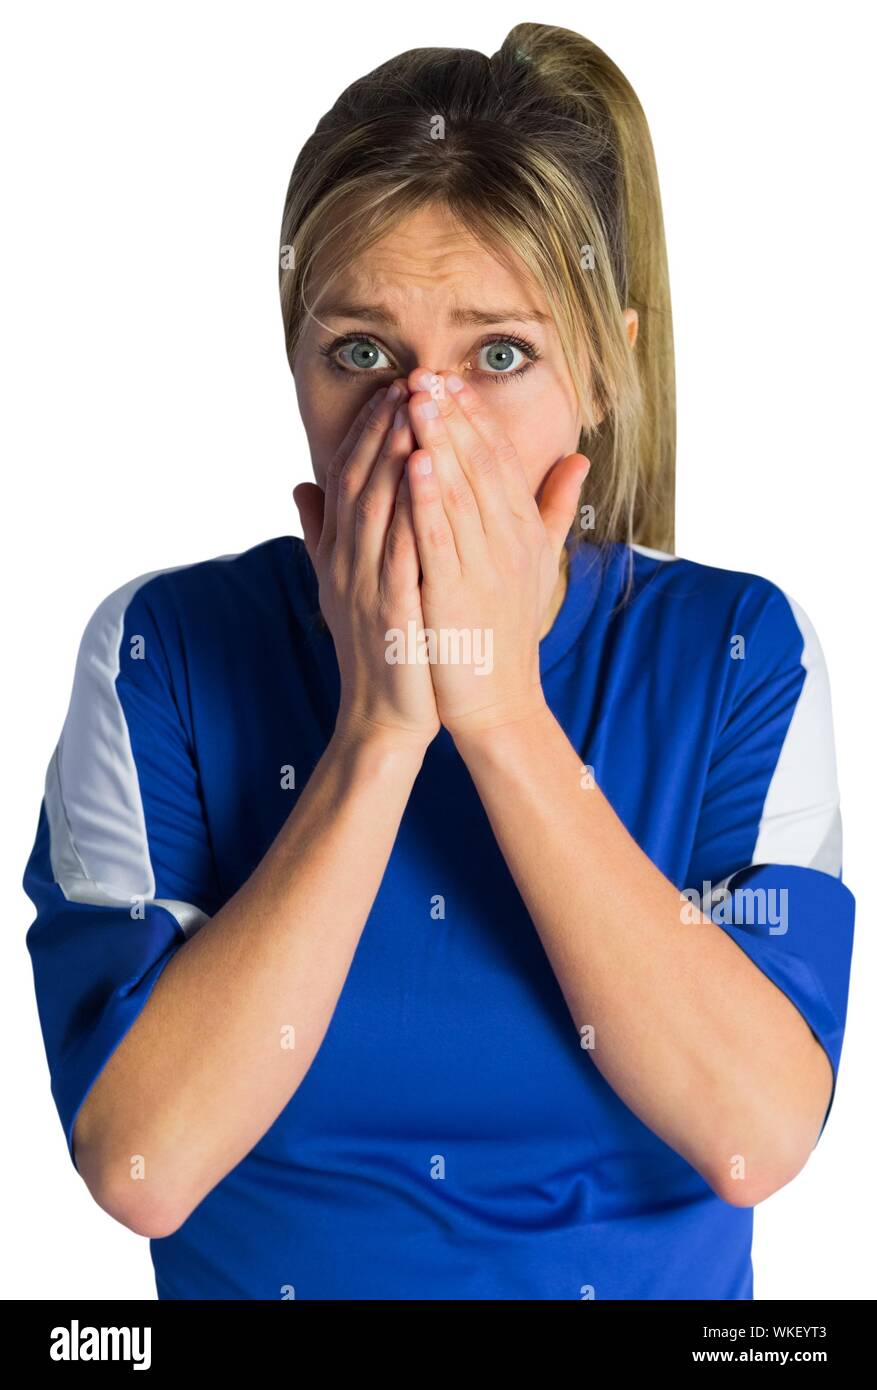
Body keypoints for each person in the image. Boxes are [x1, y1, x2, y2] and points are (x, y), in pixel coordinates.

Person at [23, 23, 855, 1300]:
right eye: (362, 352)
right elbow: (143, 1163)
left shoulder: (740, 654)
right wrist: (378, 729)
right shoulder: (160, 653)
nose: (423, 431)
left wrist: (501, 712)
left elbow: (756, 1135)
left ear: (601, 367)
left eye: (498, 356)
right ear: (294, 363)